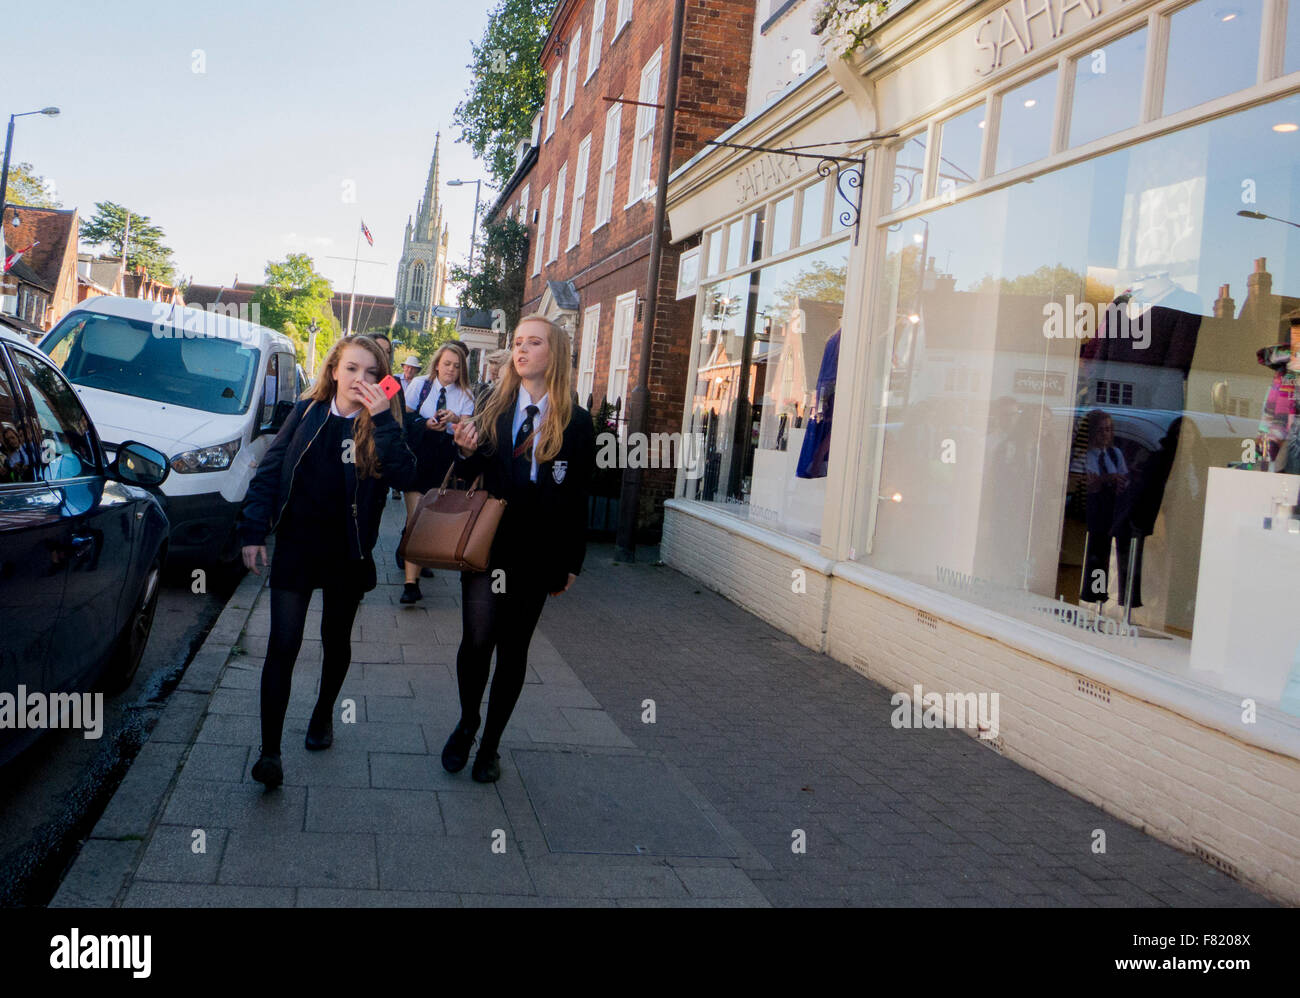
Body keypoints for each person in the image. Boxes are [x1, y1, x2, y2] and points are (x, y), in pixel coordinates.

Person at [237, 335, 416, 790]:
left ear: (382, 381)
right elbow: (271, 471)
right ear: (334, 369)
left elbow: (405, 474)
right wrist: (254, 531)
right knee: (283, 642)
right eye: (352, 369)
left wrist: (381, 418)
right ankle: (270, 752)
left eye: (372, 373)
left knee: (334, 638)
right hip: (298, 545)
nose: (361, 379)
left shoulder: (383, 423)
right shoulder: (306, 413)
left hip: (348, 551)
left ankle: (322, 714)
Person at [444, 315, 595, 782]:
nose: (522, 350)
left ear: (556, 353)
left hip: (539, 549)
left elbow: (579, 496)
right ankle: (468, 722)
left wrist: (572, 561)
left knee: (513, 651)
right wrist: (465, 450)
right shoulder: (494, 403)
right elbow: (470, 473)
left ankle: (490, 746)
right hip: (490, 541)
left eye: (534, 342)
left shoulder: (578, 421)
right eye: (517, 343)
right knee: (476, 641)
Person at [399, 343, 475, 603]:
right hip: (418, 457)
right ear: (437, 364)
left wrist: (454, 420)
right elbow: (405, 420)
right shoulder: (419, 384)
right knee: (415, 516)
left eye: (456, 366)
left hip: (443, 461)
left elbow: (468, 431)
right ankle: (411, 584)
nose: (451, 369)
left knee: (427, 520)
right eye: (447, 364)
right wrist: (426, 424)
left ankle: (414, 560)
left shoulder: (465, 394)